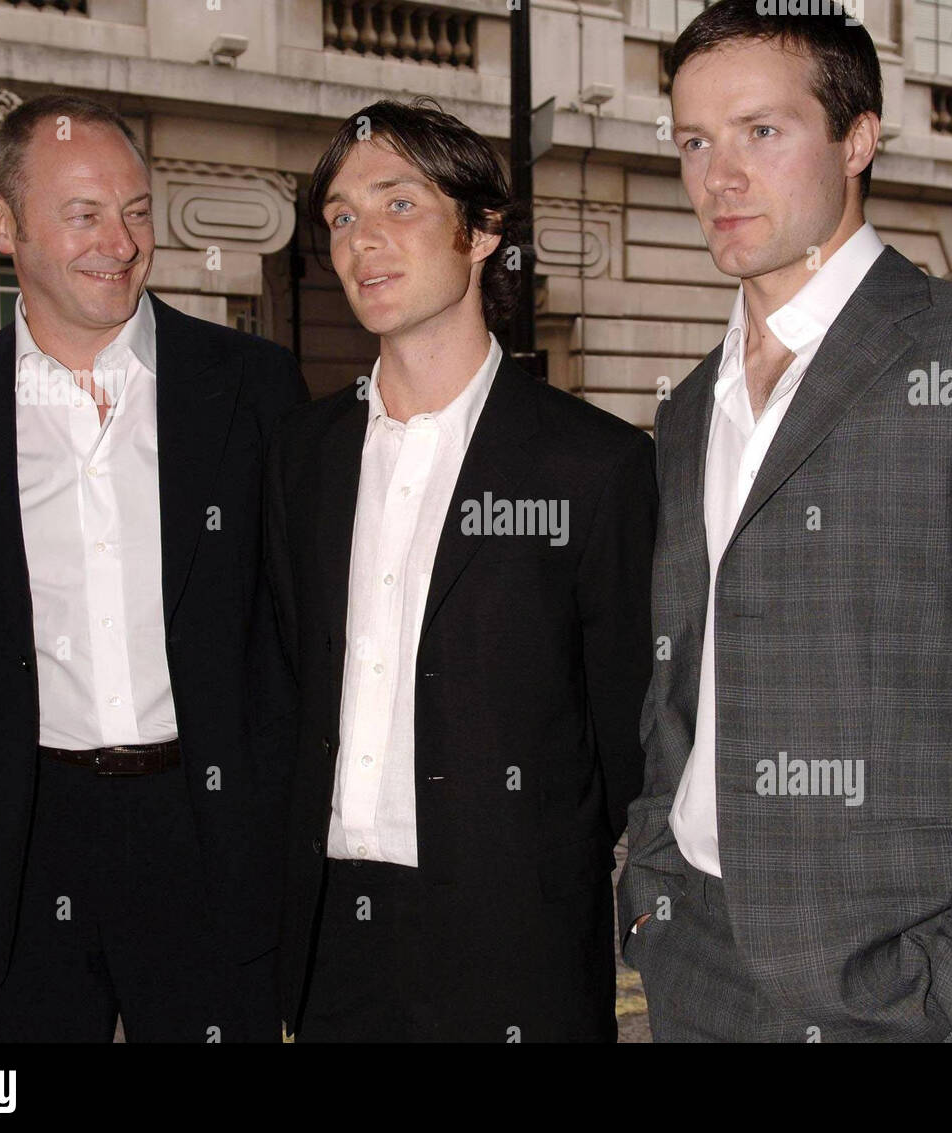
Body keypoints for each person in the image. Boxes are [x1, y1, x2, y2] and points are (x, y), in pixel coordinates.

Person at [617, 1, 952, 1042]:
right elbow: (679, 677)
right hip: (697, 970)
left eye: (760, 132)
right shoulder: (687, 407)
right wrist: (653, 883)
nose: (717, 176)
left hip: (911, 990)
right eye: (693, 140)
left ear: (857, 138)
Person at [0, 93, 307, 1041]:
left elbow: (287, 621)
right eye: (84, 213)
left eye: (135, 211)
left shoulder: (250, 386)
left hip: (209, 832)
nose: (119, 244)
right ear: (4, 224)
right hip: (31, 832)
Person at [264, 98, 656, 1042]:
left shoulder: (592, 465)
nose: (363, 242)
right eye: (343, 218)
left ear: (481, 231)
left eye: (398, 205)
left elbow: (627, 729)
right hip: (330, 943)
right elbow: (283, 682)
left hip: (514, 942)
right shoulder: (301, 456)